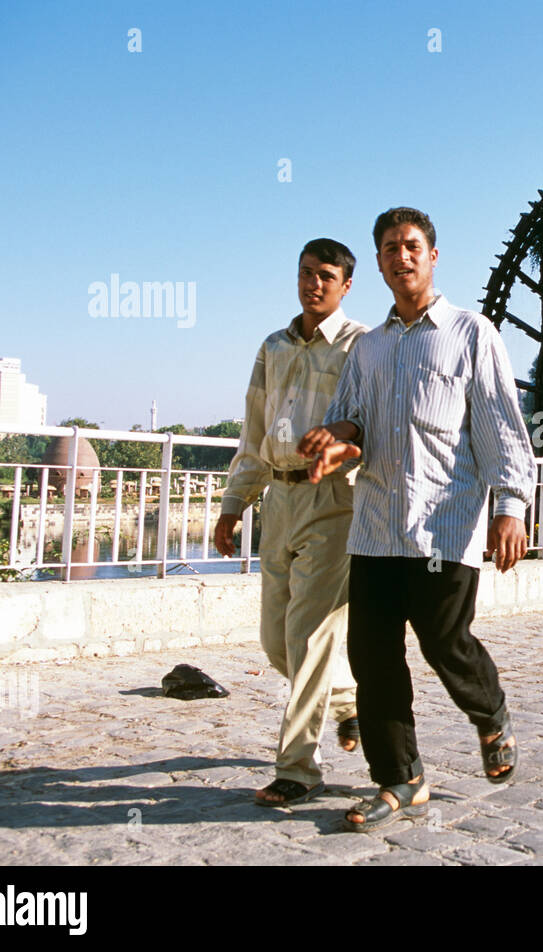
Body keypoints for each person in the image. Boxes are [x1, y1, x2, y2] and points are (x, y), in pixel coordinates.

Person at [299, 207, 536, 832]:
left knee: (446, 643)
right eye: (388, 248)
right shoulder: (369, 348)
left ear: (433, 256)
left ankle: (490, 713)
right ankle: (400, 779)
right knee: (372, 657)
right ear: (377, 263)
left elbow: (499, 428)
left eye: (411, 246)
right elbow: (353, 417)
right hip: (376, 526)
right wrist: (334, 437)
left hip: (446, 526)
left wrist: (510, 508)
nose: (400, 256)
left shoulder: (470, 333)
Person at [213, 238, 368, 807]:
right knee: (277, 642)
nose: (314, 284)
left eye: (327, 276)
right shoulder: (273, 346)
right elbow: (253, 434)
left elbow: (373, 423)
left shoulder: (362, 347)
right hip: (276, 503)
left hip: (331, 500)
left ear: (346, 285)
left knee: (308, 636)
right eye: (306, 273)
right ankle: (350, 700)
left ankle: (298, 769)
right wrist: (234, 505)